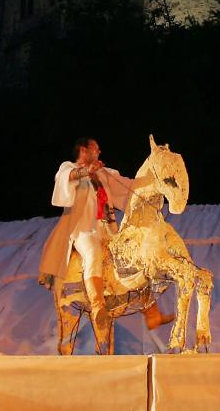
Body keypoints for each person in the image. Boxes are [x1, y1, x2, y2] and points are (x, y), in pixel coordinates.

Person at [37, 138, 172, 331]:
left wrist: (156, 181)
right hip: (83, 229)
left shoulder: (103, 173)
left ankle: (152, 314)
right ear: (84, 150)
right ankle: (98, 305)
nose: (99, 152)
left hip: (107, 229)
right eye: (95, 149)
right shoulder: (68, 167)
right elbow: (67, 177)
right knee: (93, 253)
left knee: (130, 257)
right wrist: (86, 171)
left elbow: (131, 187)